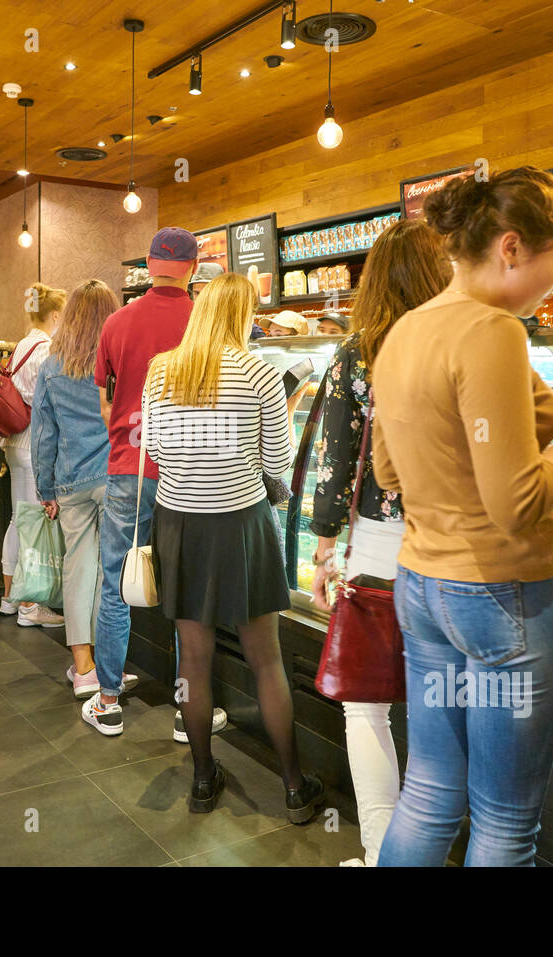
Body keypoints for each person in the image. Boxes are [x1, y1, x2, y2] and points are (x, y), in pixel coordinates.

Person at [370, 167, 553, 866]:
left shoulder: (405, 329)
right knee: (503, 821)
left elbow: (387, 473)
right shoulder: (492, 330)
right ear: (511, 246)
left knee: (429, 793)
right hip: (505, 599)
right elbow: (520, 503)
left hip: (423, 590)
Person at [142, 272, 324, 822]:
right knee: (266, 659)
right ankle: (294, 787)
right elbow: (278, 469)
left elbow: (152, 450)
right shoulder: (261, 373)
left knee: (193, 660)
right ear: (242, 315)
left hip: (178, 522)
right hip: (241, 524)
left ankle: (202, 780)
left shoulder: (161, 371)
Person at [307, 219, 453, 866]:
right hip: (452, 546)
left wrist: (323, 546)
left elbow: (335, 464)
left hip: (375, 546)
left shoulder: (357, 355)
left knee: (367, 712)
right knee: (436, 715)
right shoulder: (460, 344)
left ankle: (381, 852)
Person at [87, 227, 227, 741]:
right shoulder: (204, 326)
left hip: (130, 467)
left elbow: (105, 399)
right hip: (191, 475)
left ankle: (107, 701)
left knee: (114, 584)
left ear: (148, 265)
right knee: (185, 591)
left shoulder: (117, 322)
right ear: (193, 267)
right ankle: (186, 712)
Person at [31, 280, 135, 698]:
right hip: (116, 477)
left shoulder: (51, 365)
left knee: (78, 569)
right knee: (111, 576)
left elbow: (44, 435)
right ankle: (110, 670)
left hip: (71, 481)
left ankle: (84, 668)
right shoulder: (121, 360)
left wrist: (46, 489)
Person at [0, 282, 67, 628]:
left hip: (14, 442)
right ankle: (29, 605)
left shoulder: (23, 344)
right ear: (55, 315)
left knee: (17, 520)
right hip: (33, 446)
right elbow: (53, 402)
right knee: (31, 525)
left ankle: (11, 598)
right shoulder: (47, 349)